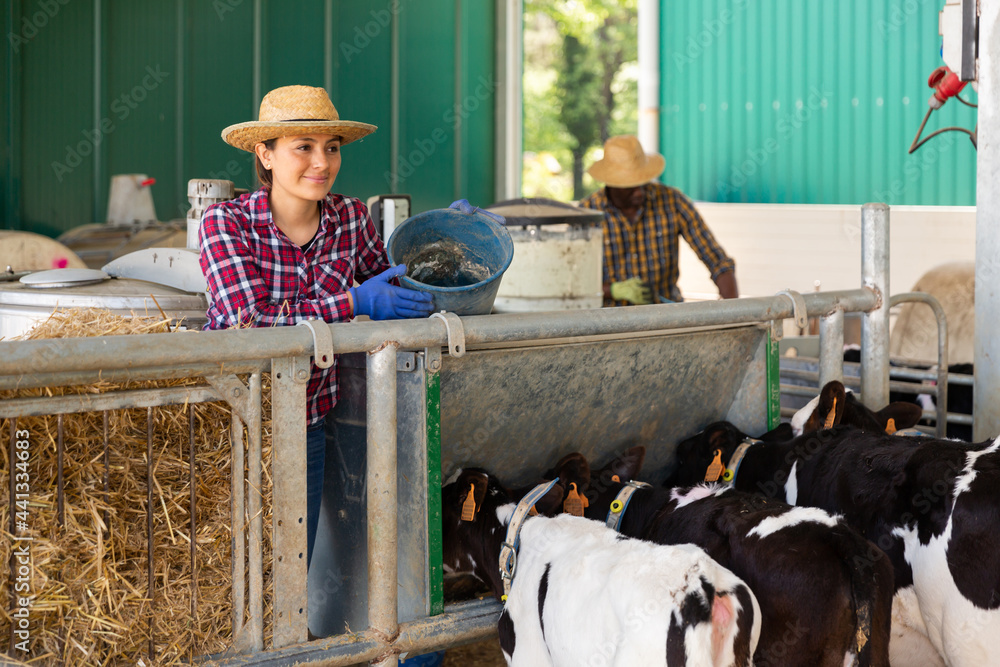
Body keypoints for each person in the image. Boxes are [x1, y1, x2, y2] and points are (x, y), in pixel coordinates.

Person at [199, 85, 435, 565]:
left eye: (331, 148)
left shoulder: (350, 218)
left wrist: (436, 239)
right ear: (264, 155)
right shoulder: (226, 223)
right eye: (303, 147)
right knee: (233, 569)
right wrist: (352, 302)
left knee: (291, 565)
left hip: (308, 419)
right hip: (235, 422)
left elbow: (398, 285)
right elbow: (247, 321)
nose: (321, 163)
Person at [579, 134, 738, 305]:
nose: (639, 192)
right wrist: (612, 290)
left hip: (666, 315)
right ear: (611, 183)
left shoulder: (672, 202)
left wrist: (733, 309)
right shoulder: (587, 215)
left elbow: (717, 260)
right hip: (608, 322)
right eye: (631, 187)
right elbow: (571, 281)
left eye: (643, 182)